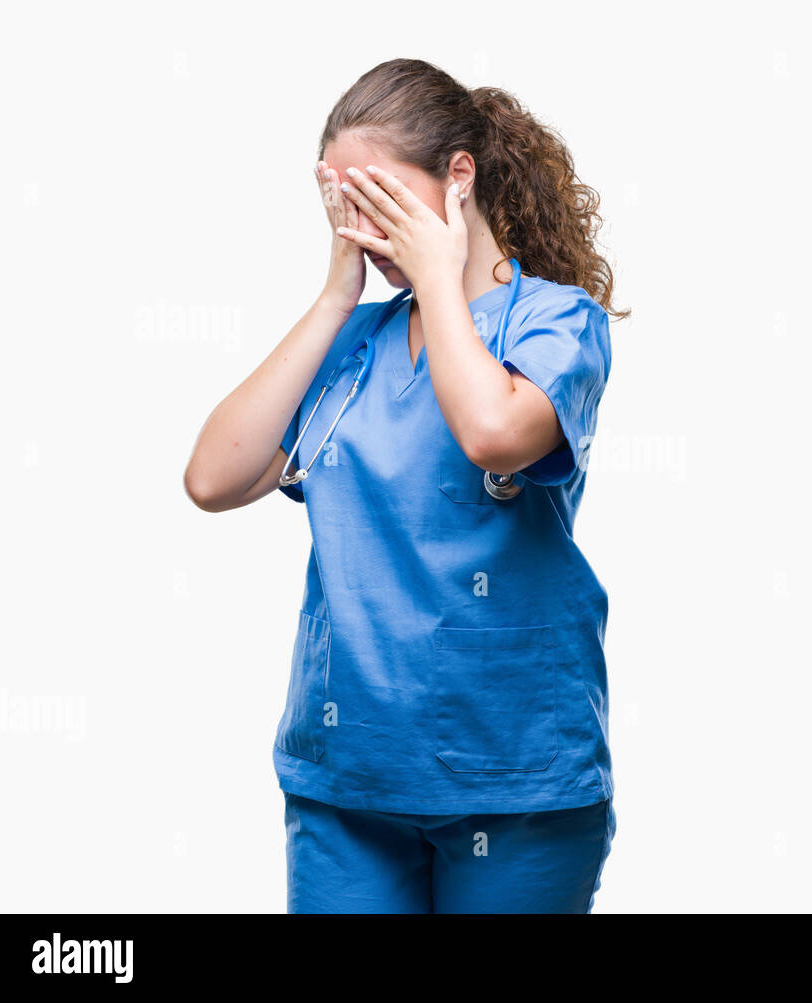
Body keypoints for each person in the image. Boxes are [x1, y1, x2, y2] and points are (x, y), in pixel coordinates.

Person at [183, 58, 625, 913]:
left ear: (459, 178)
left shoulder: (557, 321)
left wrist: (436, 276)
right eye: (349, 207)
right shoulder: (351, 339)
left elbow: (493, 430)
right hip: (347, 780)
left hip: (516, 778)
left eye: (384, 200)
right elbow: (212, 476)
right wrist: (332, 296)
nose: (371, 228)